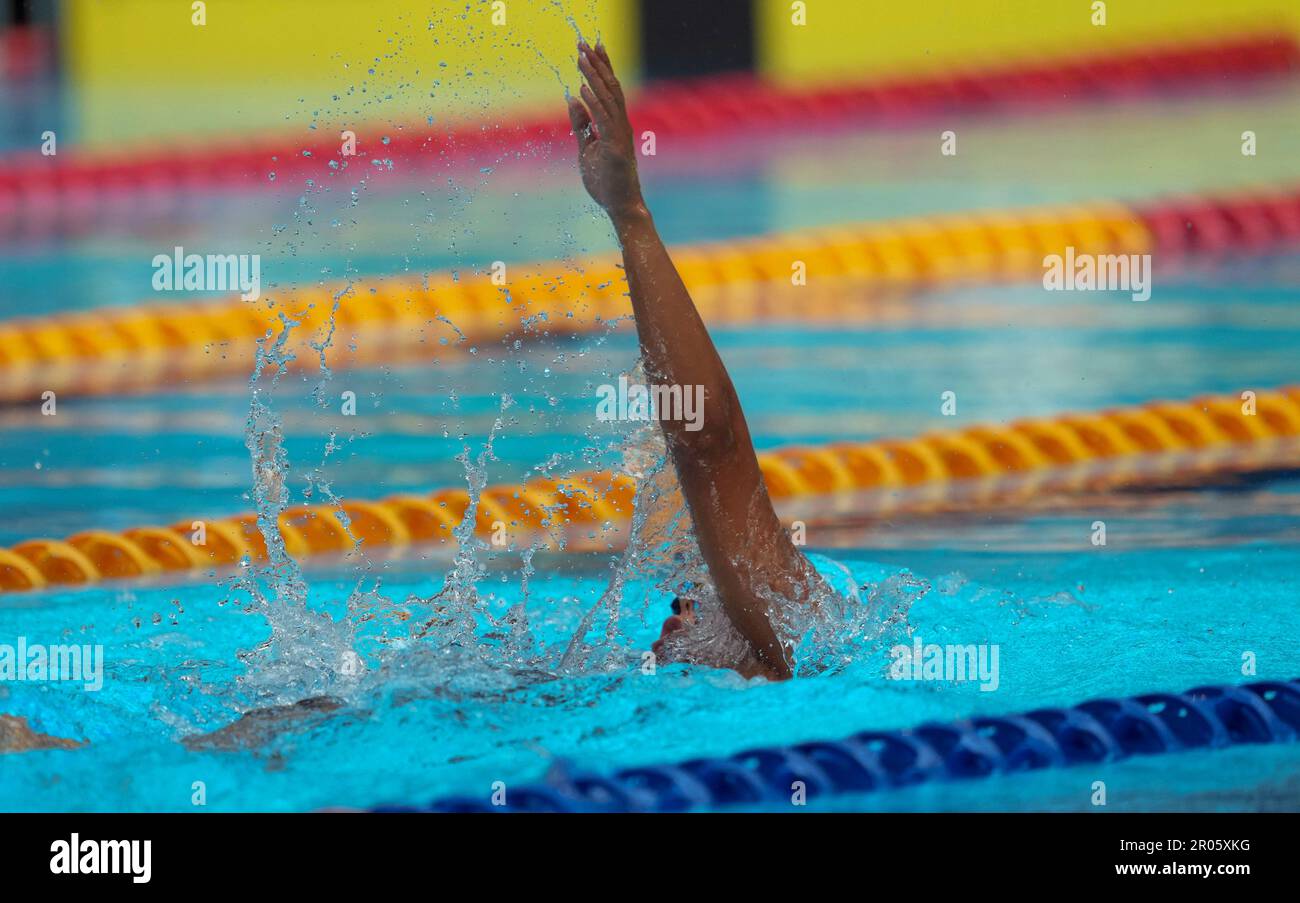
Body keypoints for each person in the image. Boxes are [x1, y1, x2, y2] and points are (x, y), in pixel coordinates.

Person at [568, 42, 826, 681]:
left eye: (701, 600)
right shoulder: (777, 652)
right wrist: (627, 216)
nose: (680, 608)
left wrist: (631, 216)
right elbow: (711, 447)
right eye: (700, 600)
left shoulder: (784, 656)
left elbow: (708, 443)